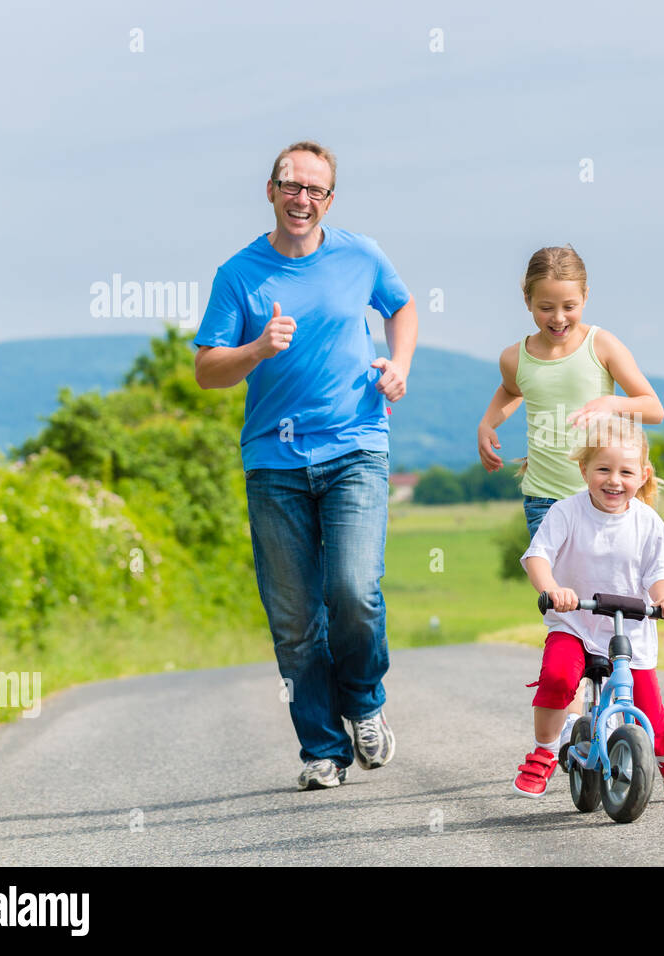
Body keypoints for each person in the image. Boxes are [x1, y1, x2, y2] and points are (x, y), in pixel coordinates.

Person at [193, 140, 418, 791]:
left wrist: (398, 366)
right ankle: (323, 750)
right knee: (294, 620)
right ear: (270, 190)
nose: (301, 199)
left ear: (329, 199)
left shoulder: (360, 255)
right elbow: (207, 369)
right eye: (291, 186)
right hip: (274, 462)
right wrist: (257, 348)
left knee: (353, 591)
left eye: (315, 190)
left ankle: (365, 704)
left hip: (355, 446)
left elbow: (400, 306)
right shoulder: (239, 274)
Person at [514, 414, 664, 801]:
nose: (614, 480)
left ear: (643, 474)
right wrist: (553, 589)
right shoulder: (566, 512)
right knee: (559, 679)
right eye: (603, 469)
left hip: (627, 631)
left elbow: (659, 571)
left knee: (650, 710)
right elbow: (538, 557)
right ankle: (545, 752)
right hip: (574, 622)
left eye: (626, 472)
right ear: (584, 470)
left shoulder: (648, 522)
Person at [476, 245, 664, 540]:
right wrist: (487, 424)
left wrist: (611, 403)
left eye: (569, 306)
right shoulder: (515, 358)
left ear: (586, 296)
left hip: (602, 497)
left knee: (607, 586)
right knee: (555, 587)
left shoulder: (601, 345)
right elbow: (510, 390)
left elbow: (654, 409)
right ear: (527, 300)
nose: (558, 318)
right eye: (546, 308)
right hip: (543, 501)